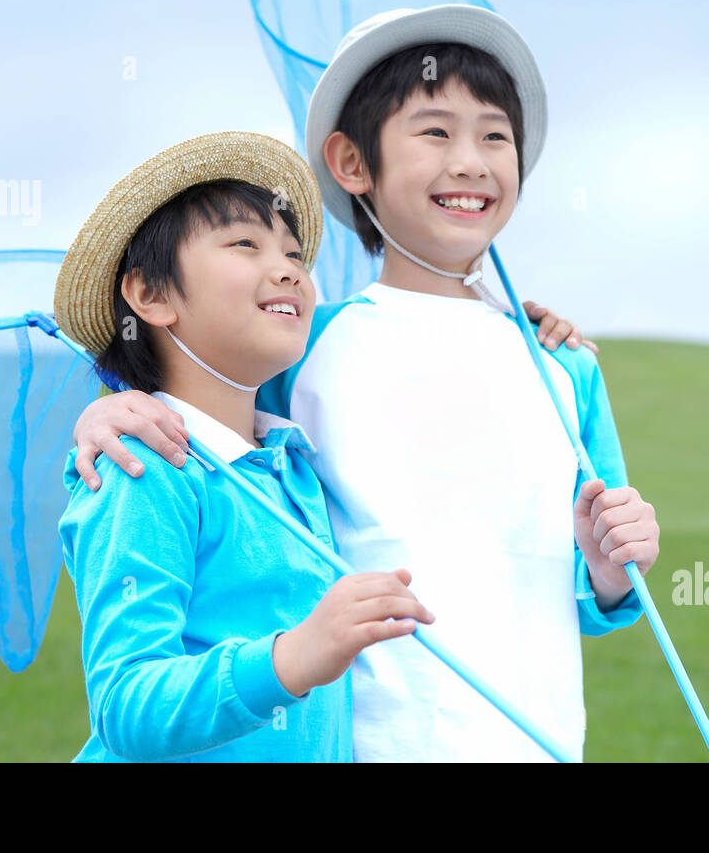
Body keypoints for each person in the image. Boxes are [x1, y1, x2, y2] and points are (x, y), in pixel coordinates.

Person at [71, 7, 661, 762]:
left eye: (495, 136)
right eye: (437, 131)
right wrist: (110, 409)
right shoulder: (303, 343)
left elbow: (587, 591)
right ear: (353, 164)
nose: (473, 160)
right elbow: (197, 394)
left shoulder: (565, 368)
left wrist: (611, 573)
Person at [55, 131, 433, 762]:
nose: (287, 267)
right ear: (150, 295)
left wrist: (509, 319)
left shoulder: (292, 463)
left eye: (294, 253)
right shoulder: (141, 468)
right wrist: (294, 658)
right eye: (244, 245)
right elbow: (126, 703)